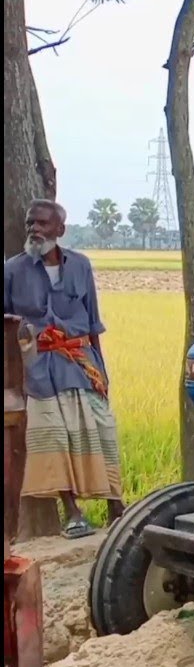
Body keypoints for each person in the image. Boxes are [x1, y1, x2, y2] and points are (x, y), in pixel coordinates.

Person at [3, 199, 125, 538]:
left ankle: (116, 506)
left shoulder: (81, 266)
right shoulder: (11, 271)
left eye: (42, 224)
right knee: (54, 436)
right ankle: (72, 513)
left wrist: (102, 371)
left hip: (81, 364)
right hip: (37, 369)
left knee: (102, 430)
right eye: (31, 223)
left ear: (60, 229)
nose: (35, 230)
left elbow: (93, 323)